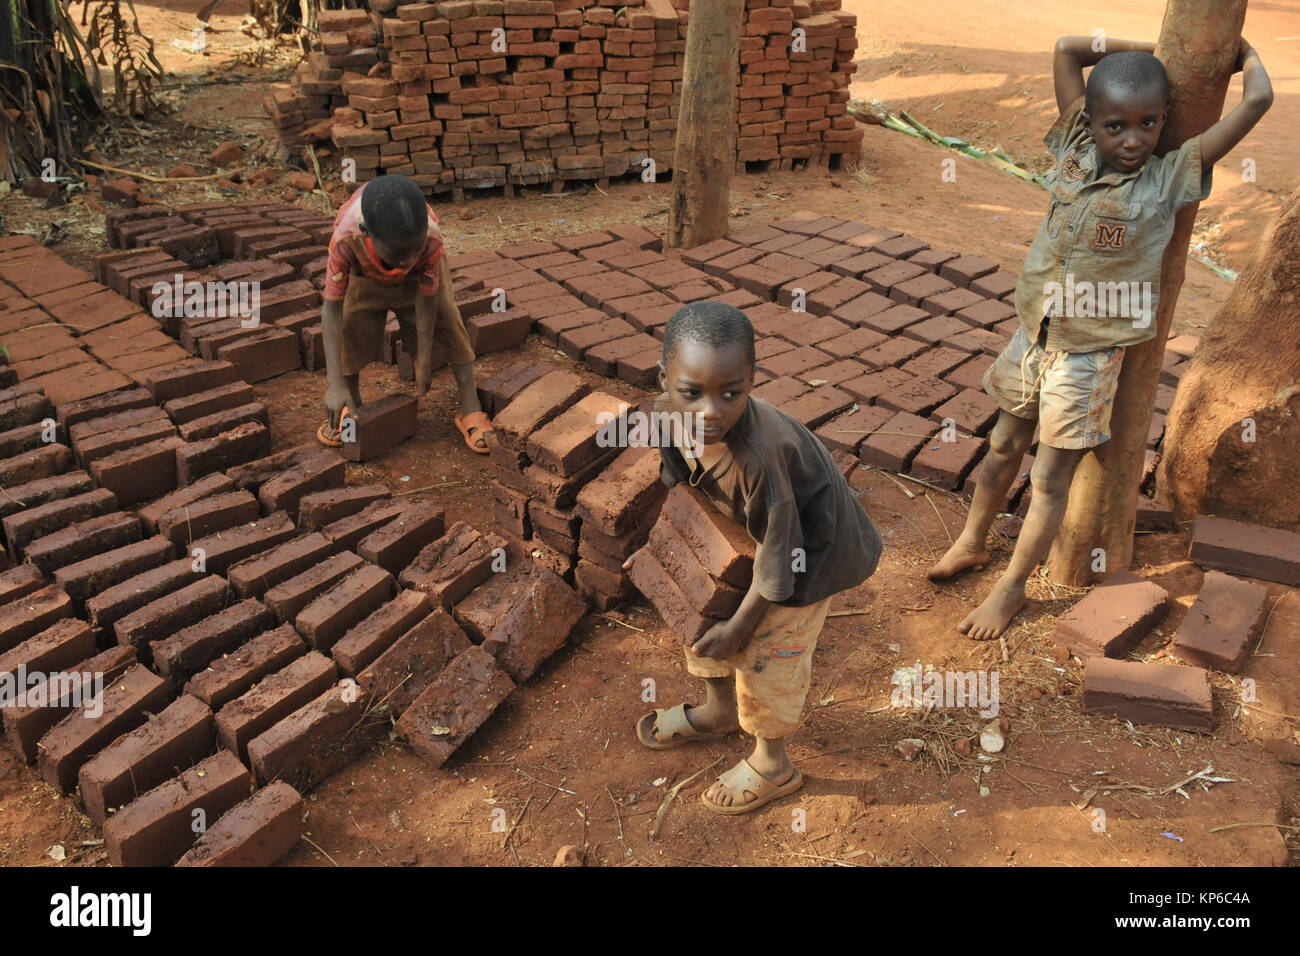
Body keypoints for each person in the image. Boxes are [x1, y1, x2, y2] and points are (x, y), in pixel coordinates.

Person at [927, 35, 1273, 640]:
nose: (1133, 139)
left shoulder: (1168, 178)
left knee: (1048, 480)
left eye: (1149, 124)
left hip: (1086, 358)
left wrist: (1238, 54)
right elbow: (1064, 49)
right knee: (1002, 449)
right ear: (1091, 122)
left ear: (1164, 123)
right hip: (1032, 335)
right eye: (1117, 125)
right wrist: (1150, 52)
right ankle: (971, 542)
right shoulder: (1073, 146)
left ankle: (1011, 591)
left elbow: (1259, 100)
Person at [626, 301, 883, 814]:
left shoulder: (759, 460)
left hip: (810, 556)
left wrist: (742, 629)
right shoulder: (664, 416)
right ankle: (720, 712)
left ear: (751, 380)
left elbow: (780, 560)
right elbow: (677, 474)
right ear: (663, 378)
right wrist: (694, 559)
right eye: (691, 392)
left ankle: (773, 763)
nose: (710, 412)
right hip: (750, 541)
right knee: (703, 611)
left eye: (731, 393)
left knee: (769, 653)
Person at [316, 173, 493, 453]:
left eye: (414, 252)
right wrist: (333, 384)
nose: (407, 261)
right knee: (351, 325)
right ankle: (349, 403)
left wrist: (422, 357)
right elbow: (332, 311)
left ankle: (471, 404)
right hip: (364, 275)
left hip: (418, 284)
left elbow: (427, 299)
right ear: (367, 232)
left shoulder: (430, 238)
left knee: (448, 318)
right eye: (399, 255)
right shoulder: (346, 237)